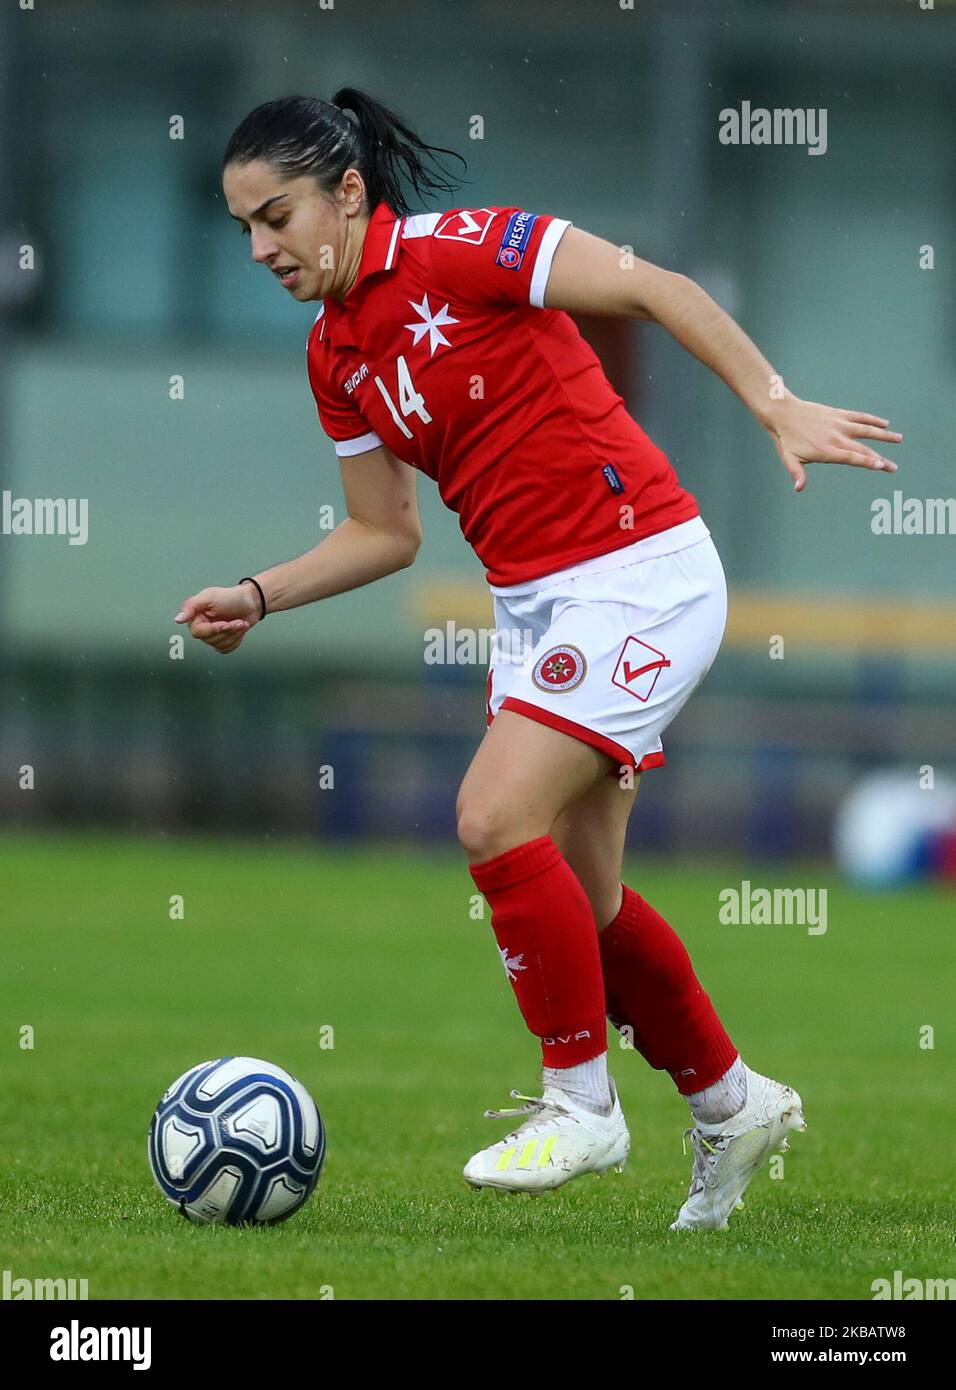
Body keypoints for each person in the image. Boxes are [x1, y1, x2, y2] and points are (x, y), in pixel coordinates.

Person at [176, 89, 901, 1230]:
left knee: (487, 815)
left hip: (638, 572)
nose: (262, 247)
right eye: (243, 229)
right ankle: (730, 1101)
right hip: (533, 613)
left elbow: (653, 288)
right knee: (589, 900)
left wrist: (775, 404)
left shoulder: (470, 250)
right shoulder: (335, 353)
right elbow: (386, 530)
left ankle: (581, 1101)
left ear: (348, 192)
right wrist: (259, 596)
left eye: (276, 217)